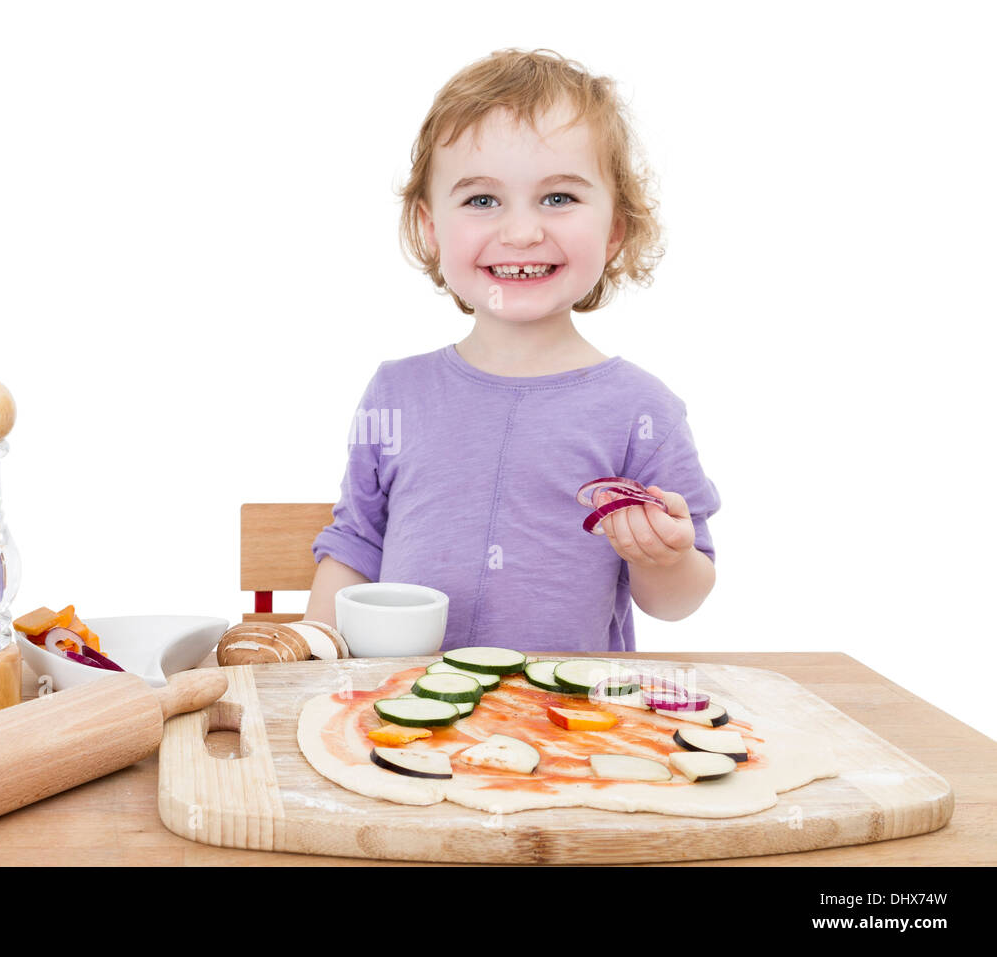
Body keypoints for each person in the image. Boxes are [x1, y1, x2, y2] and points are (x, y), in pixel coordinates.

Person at [304, 48, 720, 652]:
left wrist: (662, 554)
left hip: (563, 728)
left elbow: (676, 601)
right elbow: (356, 546)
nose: (522, 232)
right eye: (481, 200)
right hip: (397, 719)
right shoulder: (396, 392)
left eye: (558, 198)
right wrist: (306, 665)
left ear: (614, 230)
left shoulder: (641, 409)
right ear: (429, 227)